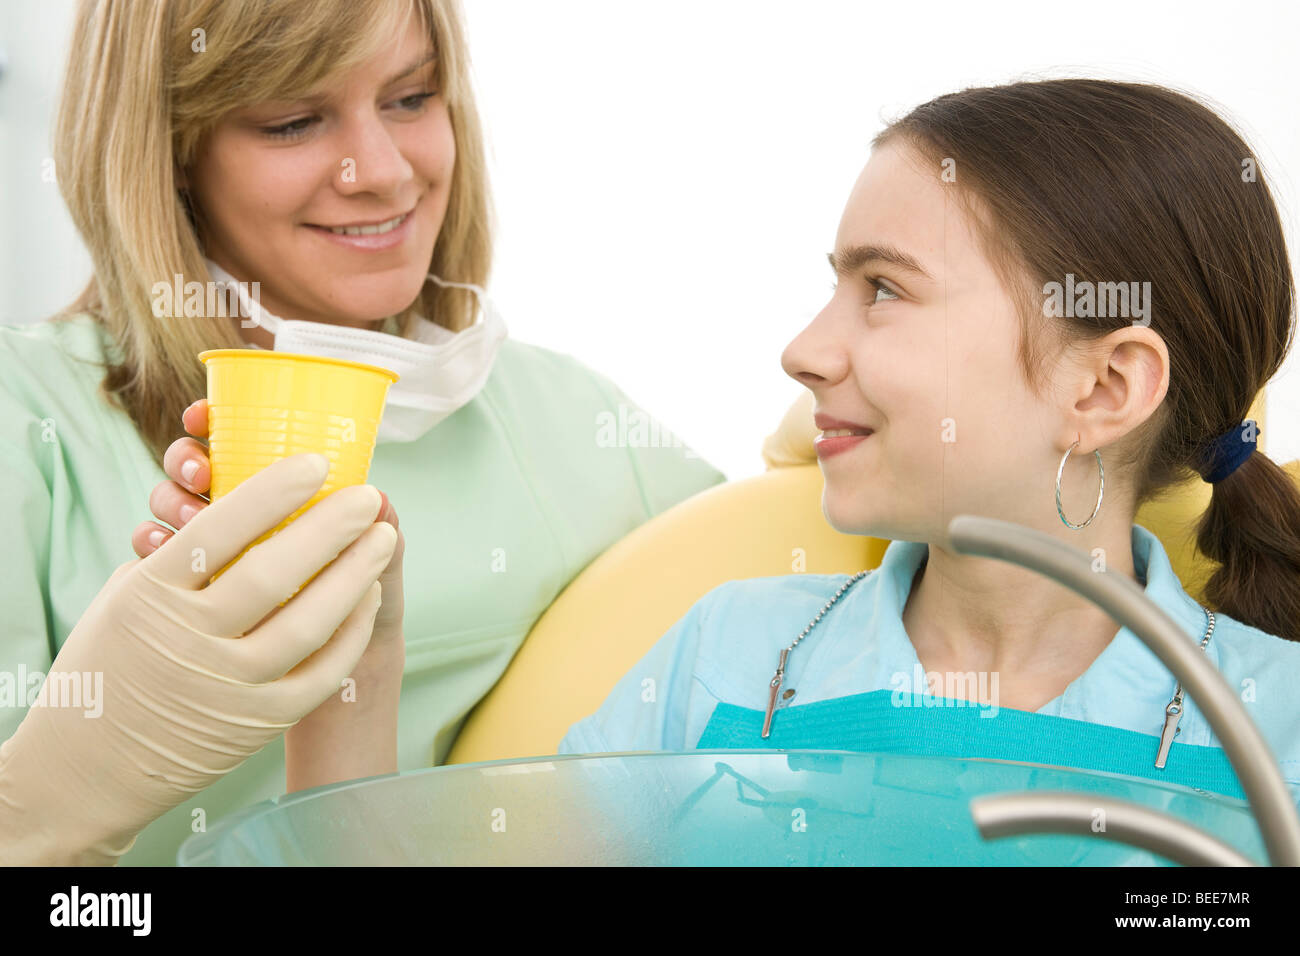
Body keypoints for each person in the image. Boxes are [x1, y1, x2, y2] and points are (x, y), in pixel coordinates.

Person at [0, 0, 723, 865]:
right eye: (294, 121)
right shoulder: (26, 422)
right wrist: (48, 802)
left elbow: (827, 627)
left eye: (412, 98)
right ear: (170, 152)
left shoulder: (570, 423)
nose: (381, 171)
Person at [557, 79, 1300, 802]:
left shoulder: (1283, 734)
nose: (802, 352)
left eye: (884, 288)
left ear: (1104, 388)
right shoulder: (723, 660)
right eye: (837, 288)